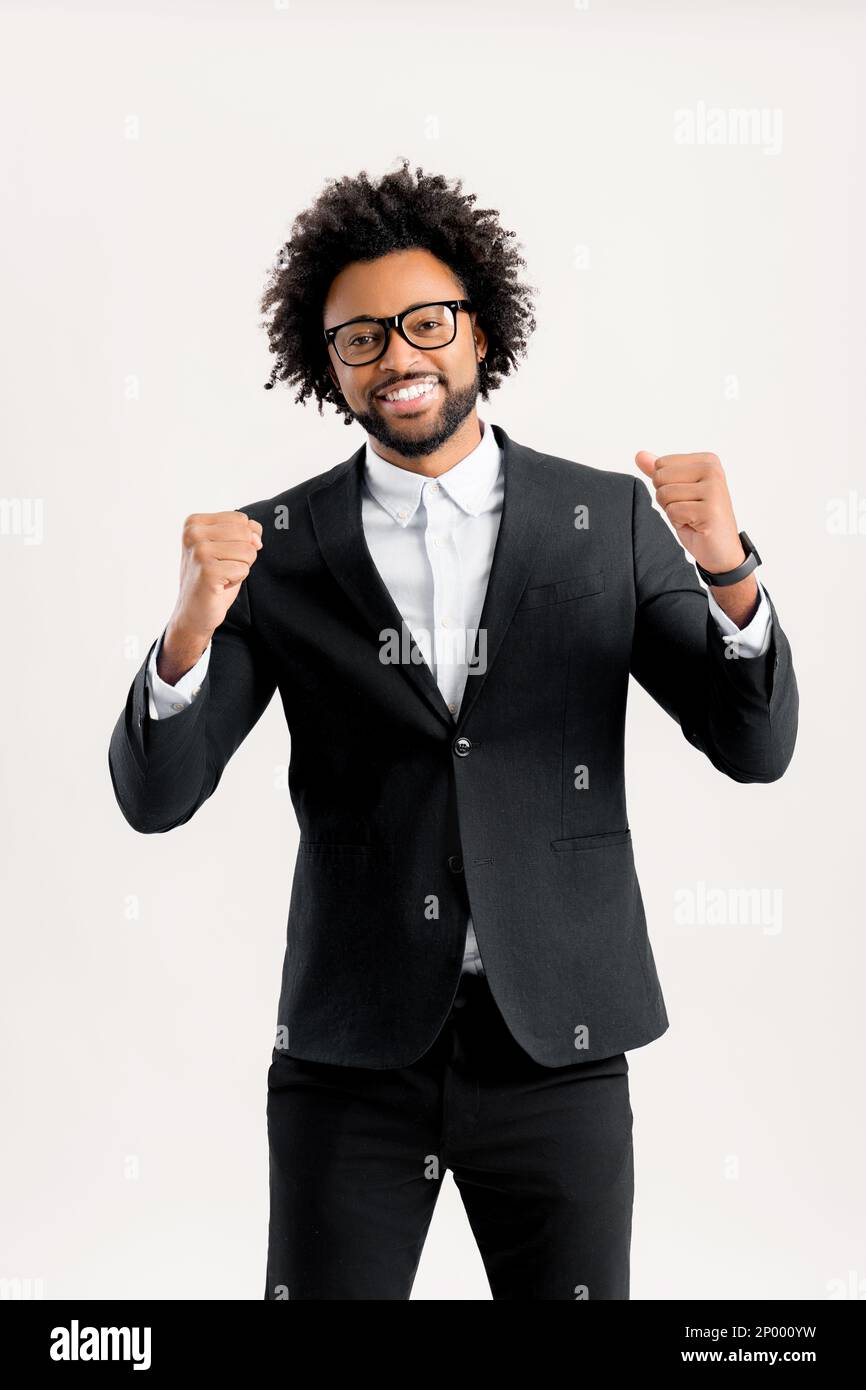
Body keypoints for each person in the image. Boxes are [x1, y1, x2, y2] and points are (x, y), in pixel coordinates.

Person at [108, 158, 798, 1300]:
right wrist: (185, 631)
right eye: (360, 337)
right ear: (324, 365)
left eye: (425, 321)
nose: (398, 356)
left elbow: (751, 745)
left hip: (557, 1048)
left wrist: (727, 569)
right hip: (348, 1056)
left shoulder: (605, 521)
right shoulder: (271, 547)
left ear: (480, 330)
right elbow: (155, 797)